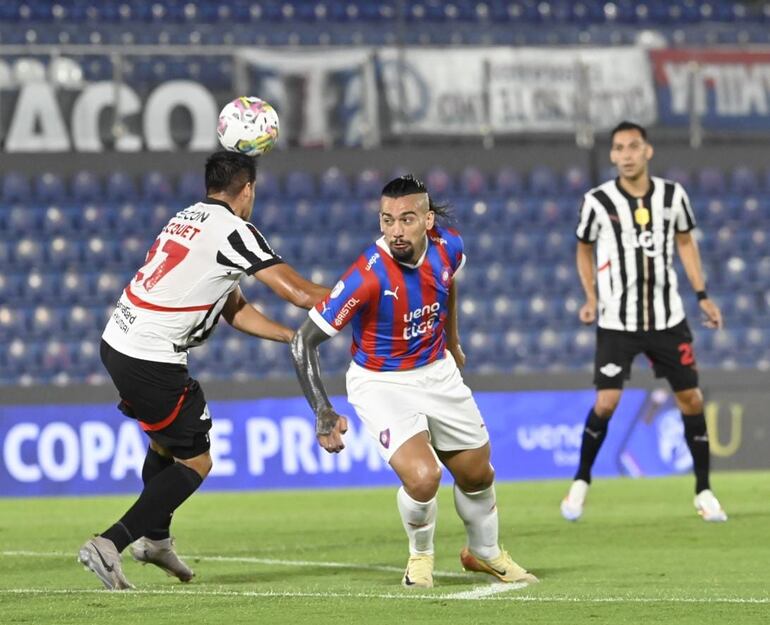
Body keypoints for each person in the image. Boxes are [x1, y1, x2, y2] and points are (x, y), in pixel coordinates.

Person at [78, 151, 329, 590]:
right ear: (247, 189)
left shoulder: (187, 218)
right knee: (196, 460)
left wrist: (289, 335)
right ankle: (110, 543)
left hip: (118, 342)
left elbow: (233, 307)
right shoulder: (235, 230)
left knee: (163, 445)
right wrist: (373, 292)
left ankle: (155, 542)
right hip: (151, 356)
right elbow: (301, 293)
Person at [289, 174, 538, 589]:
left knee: (478, 474)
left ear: (427, 221)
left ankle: (485, 553)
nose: (395, 231)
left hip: (435, 369)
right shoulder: (366, 276)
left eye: (406, 220)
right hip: (381, 381)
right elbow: (302, 342)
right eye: (386, 220)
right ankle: (419, 557)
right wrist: (322, 410)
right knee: (424, 478)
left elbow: (447, 285)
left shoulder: (449, 246)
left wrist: (453, 343)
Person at [561, 121, 727, 523]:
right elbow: (583, 249)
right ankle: (581, 482)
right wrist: (590, 296)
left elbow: (685, 243)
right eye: (619, 148)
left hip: (667, 318)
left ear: (647, 151)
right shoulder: (598, 201)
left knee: (691, 398)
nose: (627, 154)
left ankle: (704, 490)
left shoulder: (673, 196)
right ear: (613, 155)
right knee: (608, 400)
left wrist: (702, 294)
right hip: (617, 320)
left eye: (634, 146)